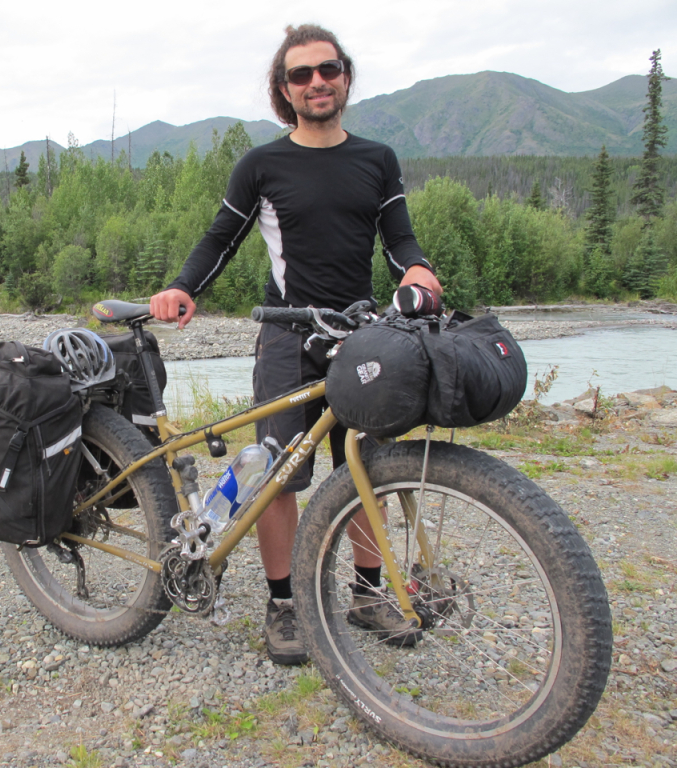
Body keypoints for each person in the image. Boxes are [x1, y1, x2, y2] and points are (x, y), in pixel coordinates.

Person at [150, 24, 443, 665]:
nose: (317, 82)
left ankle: (368, 594)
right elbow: (221, 236)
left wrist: (416, 271)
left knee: (366, 464)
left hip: (362, 333)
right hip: (287, 335)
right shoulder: (263, 164)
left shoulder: (378, 158)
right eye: (301, 74)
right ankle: (283, 603)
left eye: (328, 70)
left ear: (345, 76)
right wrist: (181, 287)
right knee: (277, 478)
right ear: (284, 90)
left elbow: (399, 240)